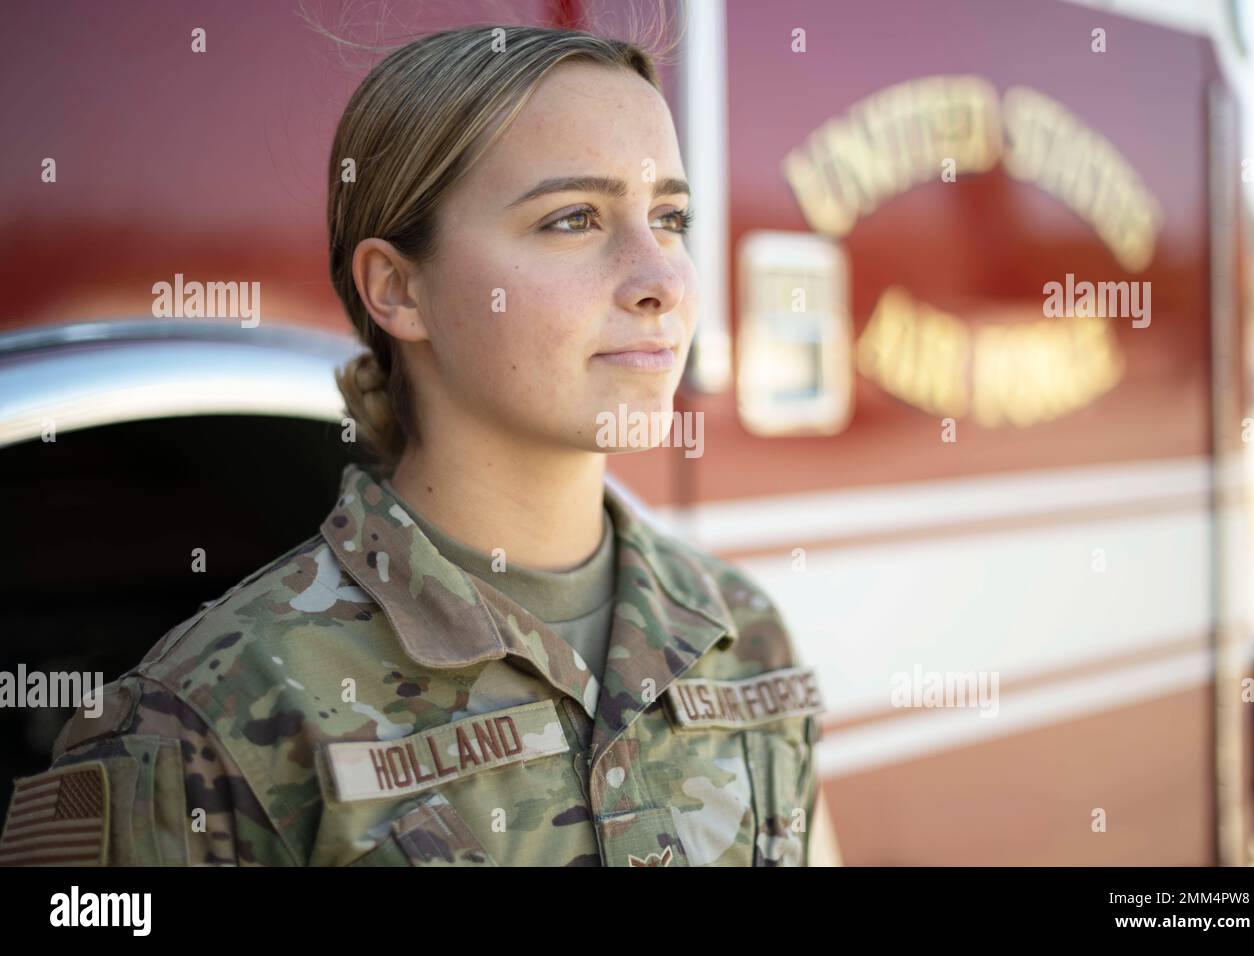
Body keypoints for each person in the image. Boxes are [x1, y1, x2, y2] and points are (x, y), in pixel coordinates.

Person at [0, 22, 829, 867]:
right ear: (398, 289)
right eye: (574, 218)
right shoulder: (204, 719)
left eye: (671, 217)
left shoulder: (743, 634)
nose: (662, 280)